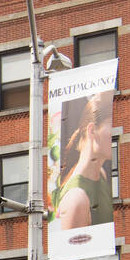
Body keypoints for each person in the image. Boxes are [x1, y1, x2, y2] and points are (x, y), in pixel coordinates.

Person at [55, 91, 115, 230]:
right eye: (112, 126)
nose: (117, 132)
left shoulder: (100, 173)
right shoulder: (77, 199)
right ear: (92, 130)